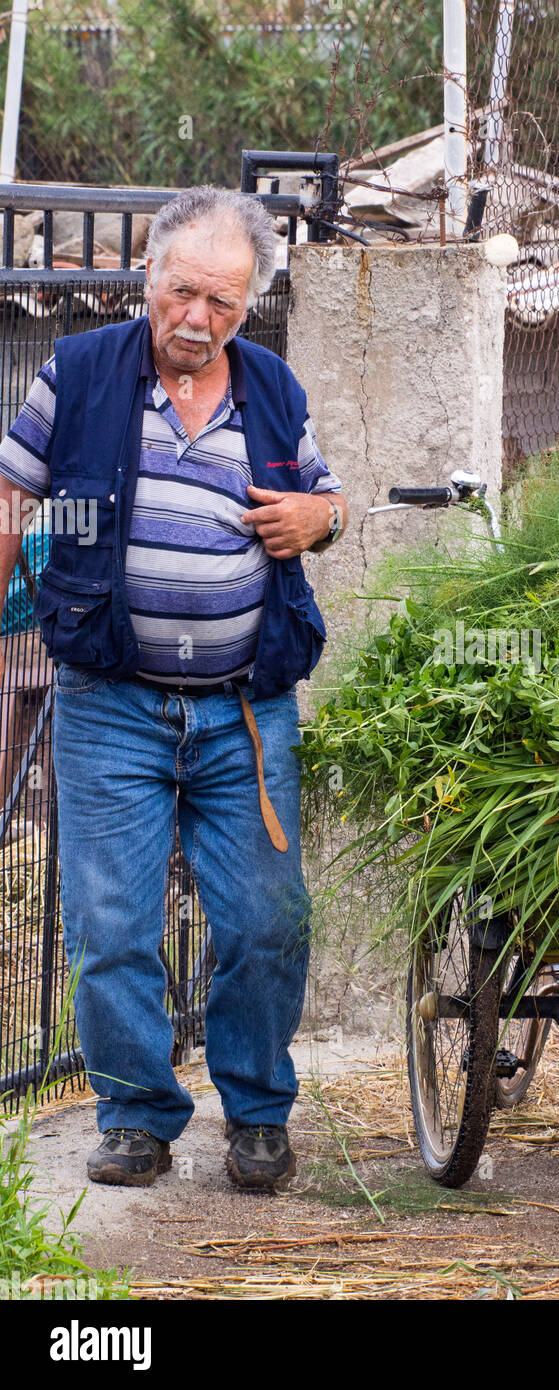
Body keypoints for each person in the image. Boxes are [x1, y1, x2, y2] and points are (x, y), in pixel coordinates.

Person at [0, 186, 347, 1190]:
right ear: (149, 275)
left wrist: (313, 521)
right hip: (111, 702)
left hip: (245, 708)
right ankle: (138, 1115)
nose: (197, 319)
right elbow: (12, 498)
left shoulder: (273, 389)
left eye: (223, 305)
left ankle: (255, 1109)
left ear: (251, 307)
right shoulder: (78, 374)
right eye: (183, 292)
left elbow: (326, 495)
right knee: (111, 928)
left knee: (264, 922)